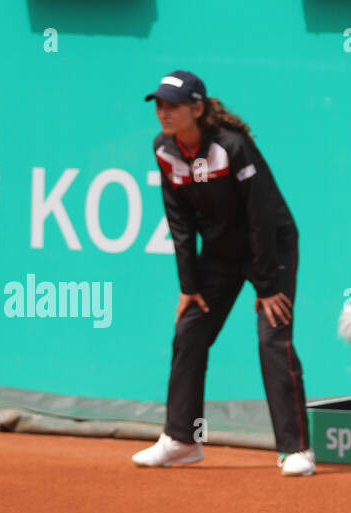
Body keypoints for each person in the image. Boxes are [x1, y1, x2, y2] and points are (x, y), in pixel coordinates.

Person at [132, 70, 314, 476]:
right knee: (189, 331)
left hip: (270, 246)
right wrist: (189, 286)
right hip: (219, 253)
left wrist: (267, 285)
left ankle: (295, 449)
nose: (164, 112)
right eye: (160, 105)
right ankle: (182, 439)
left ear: (197, 108)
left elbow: (260, 215)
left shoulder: (232, 146)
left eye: (173, 105)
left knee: (272, 338)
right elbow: (179, 222)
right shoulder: (164, 149)